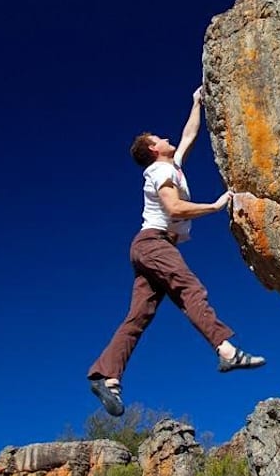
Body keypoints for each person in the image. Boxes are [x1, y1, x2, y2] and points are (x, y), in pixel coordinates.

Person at [87, 86, 264, 416]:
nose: (167, 137)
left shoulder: (173, 166)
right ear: (153, 149)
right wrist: (213, 206)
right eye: (159, 137)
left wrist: (196, 103)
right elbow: (174, 207)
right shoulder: (159, 170)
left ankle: (107, 376)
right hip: (154, 243)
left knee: (139, 315)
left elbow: (188, 135)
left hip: (148, 247)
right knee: (190, 289)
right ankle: (226, 350)